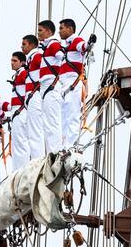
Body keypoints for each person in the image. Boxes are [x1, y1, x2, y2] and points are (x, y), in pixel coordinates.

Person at [58, 18, 89, 147]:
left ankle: (71, 146)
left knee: (72, 115)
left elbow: (84, 46)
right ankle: (63, 146)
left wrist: (90, 43)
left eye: (61, 28)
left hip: (73, 82)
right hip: (64, 84)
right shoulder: (65, 45)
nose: (59, 31)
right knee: (63, 117)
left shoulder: (76, 40)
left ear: (70, 29)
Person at [36, 19, 65, 152]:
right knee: (47, 123)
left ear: (48, 31)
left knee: (52, 122)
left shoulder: (53, 44)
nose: (38, 33)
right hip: (46, 87)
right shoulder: (46, 47)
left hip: (51, 86)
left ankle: (54, 152)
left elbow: (63, 58)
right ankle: (50, 152)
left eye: (41, 30)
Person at [20, 34, 46, 160]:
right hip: (31, 97)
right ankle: (36, 158)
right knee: (33, 131)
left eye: (24, 44)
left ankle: (38, 160)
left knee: (35, 131)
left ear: (32, 45)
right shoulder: (31, 59)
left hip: (35, 96)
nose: (21, 47)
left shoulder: (37, 56)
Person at [9, 51, 32, 172]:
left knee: (20, 142)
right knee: (17, 143)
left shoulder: (23, 73)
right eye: (11, 61)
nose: (11, 63)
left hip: (21, 111)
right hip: (17, 111)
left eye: (14, 61)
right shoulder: (18, 74)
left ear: (22, 62)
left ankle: (21, 171)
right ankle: (18, 170)